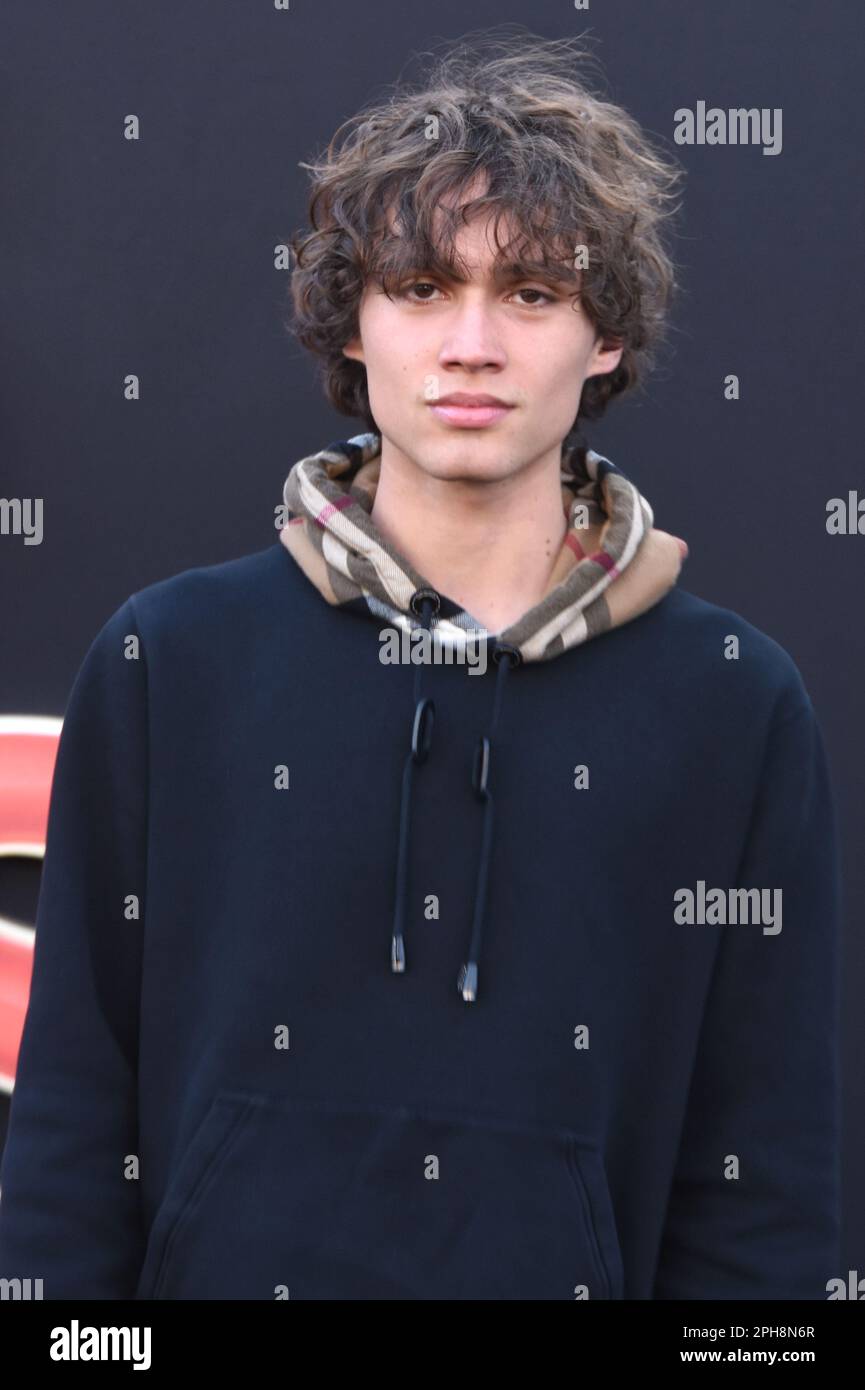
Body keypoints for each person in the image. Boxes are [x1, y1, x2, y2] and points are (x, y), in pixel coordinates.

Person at [0, 30, 841, 1300]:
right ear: (352, 321)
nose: (471, 344)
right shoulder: (168, 661)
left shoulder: (733, 698)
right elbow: (70, 1119)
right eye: (419, 287)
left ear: (603, 338)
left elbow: (761, 1171)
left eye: (533, 294)